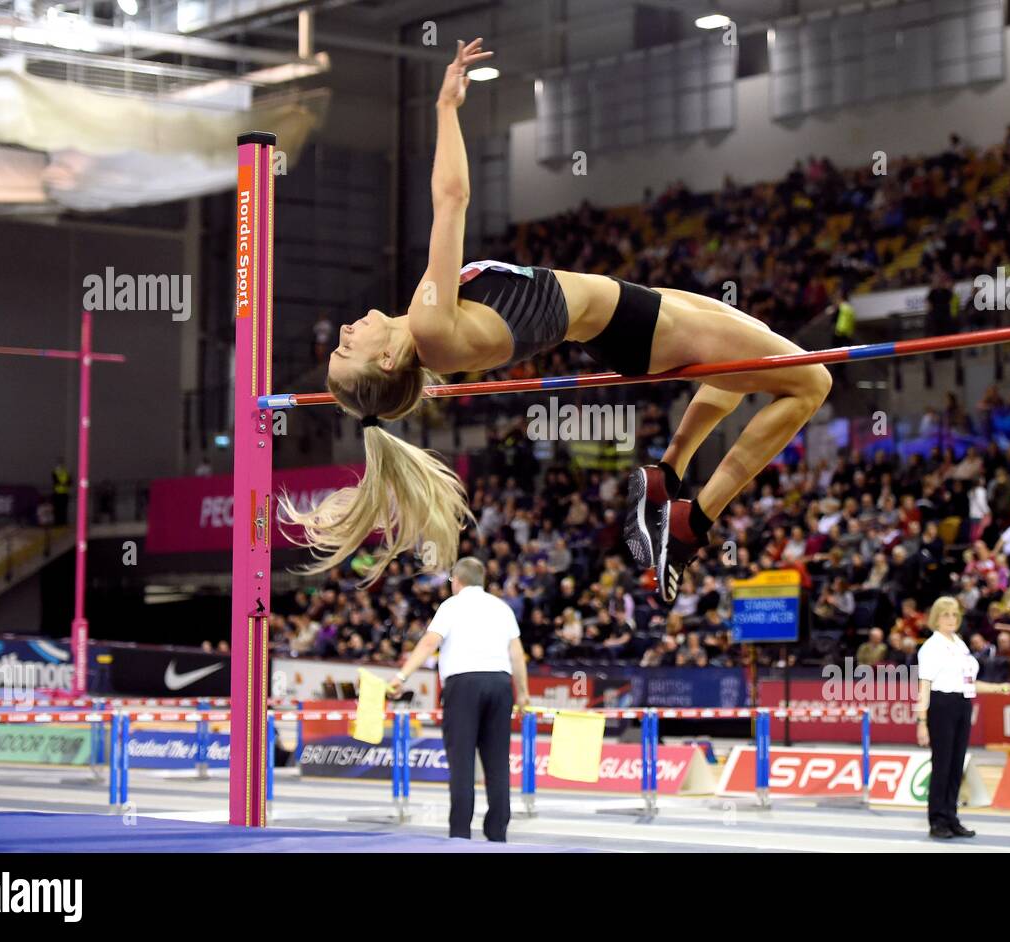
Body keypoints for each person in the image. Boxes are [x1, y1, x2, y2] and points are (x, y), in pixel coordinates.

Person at [282, 38, 832, 606]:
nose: (344, 333)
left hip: (631, 310)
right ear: (389, 360)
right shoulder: (428, 326)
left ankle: (667, 474)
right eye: (348, 350)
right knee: (813, 381)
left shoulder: (427, 320)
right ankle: (694, 523)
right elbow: (451, 197)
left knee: (745, 365)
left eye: (340, 344)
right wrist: (446, 109)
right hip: (638, 327)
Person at [386, 557, 529, 842]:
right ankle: (497, 833)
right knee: (498, 763)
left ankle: (461, 835)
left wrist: (402, 677)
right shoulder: (502, 607)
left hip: (464, 685)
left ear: (457, 581)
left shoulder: (451, 606)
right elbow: (516, 652)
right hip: (500, 685)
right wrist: (522, 692)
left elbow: (429, 643)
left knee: (462, 763)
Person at [915, 596, 1010, 839]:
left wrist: (999, 688)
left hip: (962, 704)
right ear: (936, 618)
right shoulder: (931, 647)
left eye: (954, 615)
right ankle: (937, 820)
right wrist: (922, 722)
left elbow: (969, 683)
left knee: (957, 765)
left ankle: (951, 816)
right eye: (946, 615)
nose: (951, 619)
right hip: (941, 705)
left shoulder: (960, 645)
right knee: (942, 765)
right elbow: (924, 686)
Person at [51, 458, 71, 526]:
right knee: (58, 509)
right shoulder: (55, 472)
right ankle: (58, 522)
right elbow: (56, 481)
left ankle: (62, 522)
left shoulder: (65, 473)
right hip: (58, 493)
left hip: (64, 493)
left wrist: (64, 483)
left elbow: (69, 482)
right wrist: (64, 483)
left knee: (63, 509)